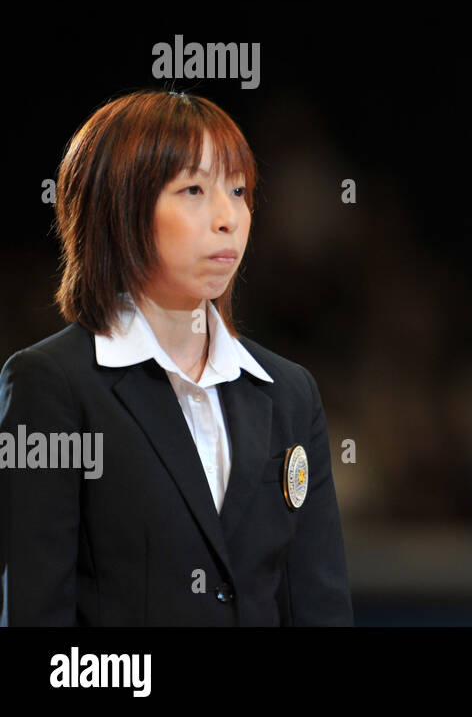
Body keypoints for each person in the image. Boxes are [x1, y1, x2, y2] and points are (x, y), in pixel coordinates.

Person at [0, 89, 352, 625]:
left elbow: (319, 608)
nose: (227, 217)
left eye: (238, 190)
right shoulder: (52, 385)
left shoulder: (290, 392)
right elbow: (36, 615)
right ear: (119, 204)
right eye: (193, 188)